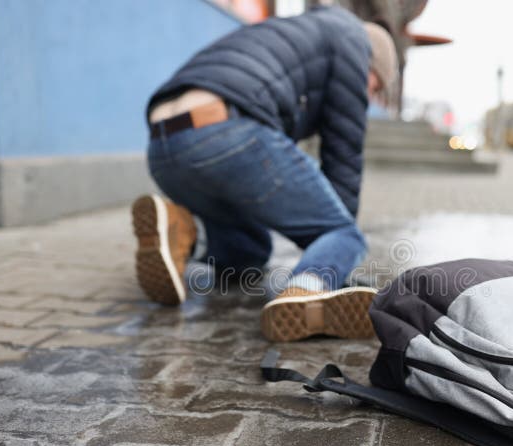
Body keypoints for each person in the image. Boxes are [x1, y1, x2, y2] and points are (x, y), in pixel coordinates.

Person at [131, 6, 398, 342]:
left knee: (249, 250)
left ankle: (182, 231)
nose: (369, 97)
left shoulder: (296, 31)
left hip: (164, 145)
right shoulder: (354, 40)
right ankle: (306, 292)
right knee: (345, 234)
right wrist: (332, 250)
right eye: (375, 88)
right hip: (226, 131)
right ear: (374, 66)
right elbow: (343, 155)